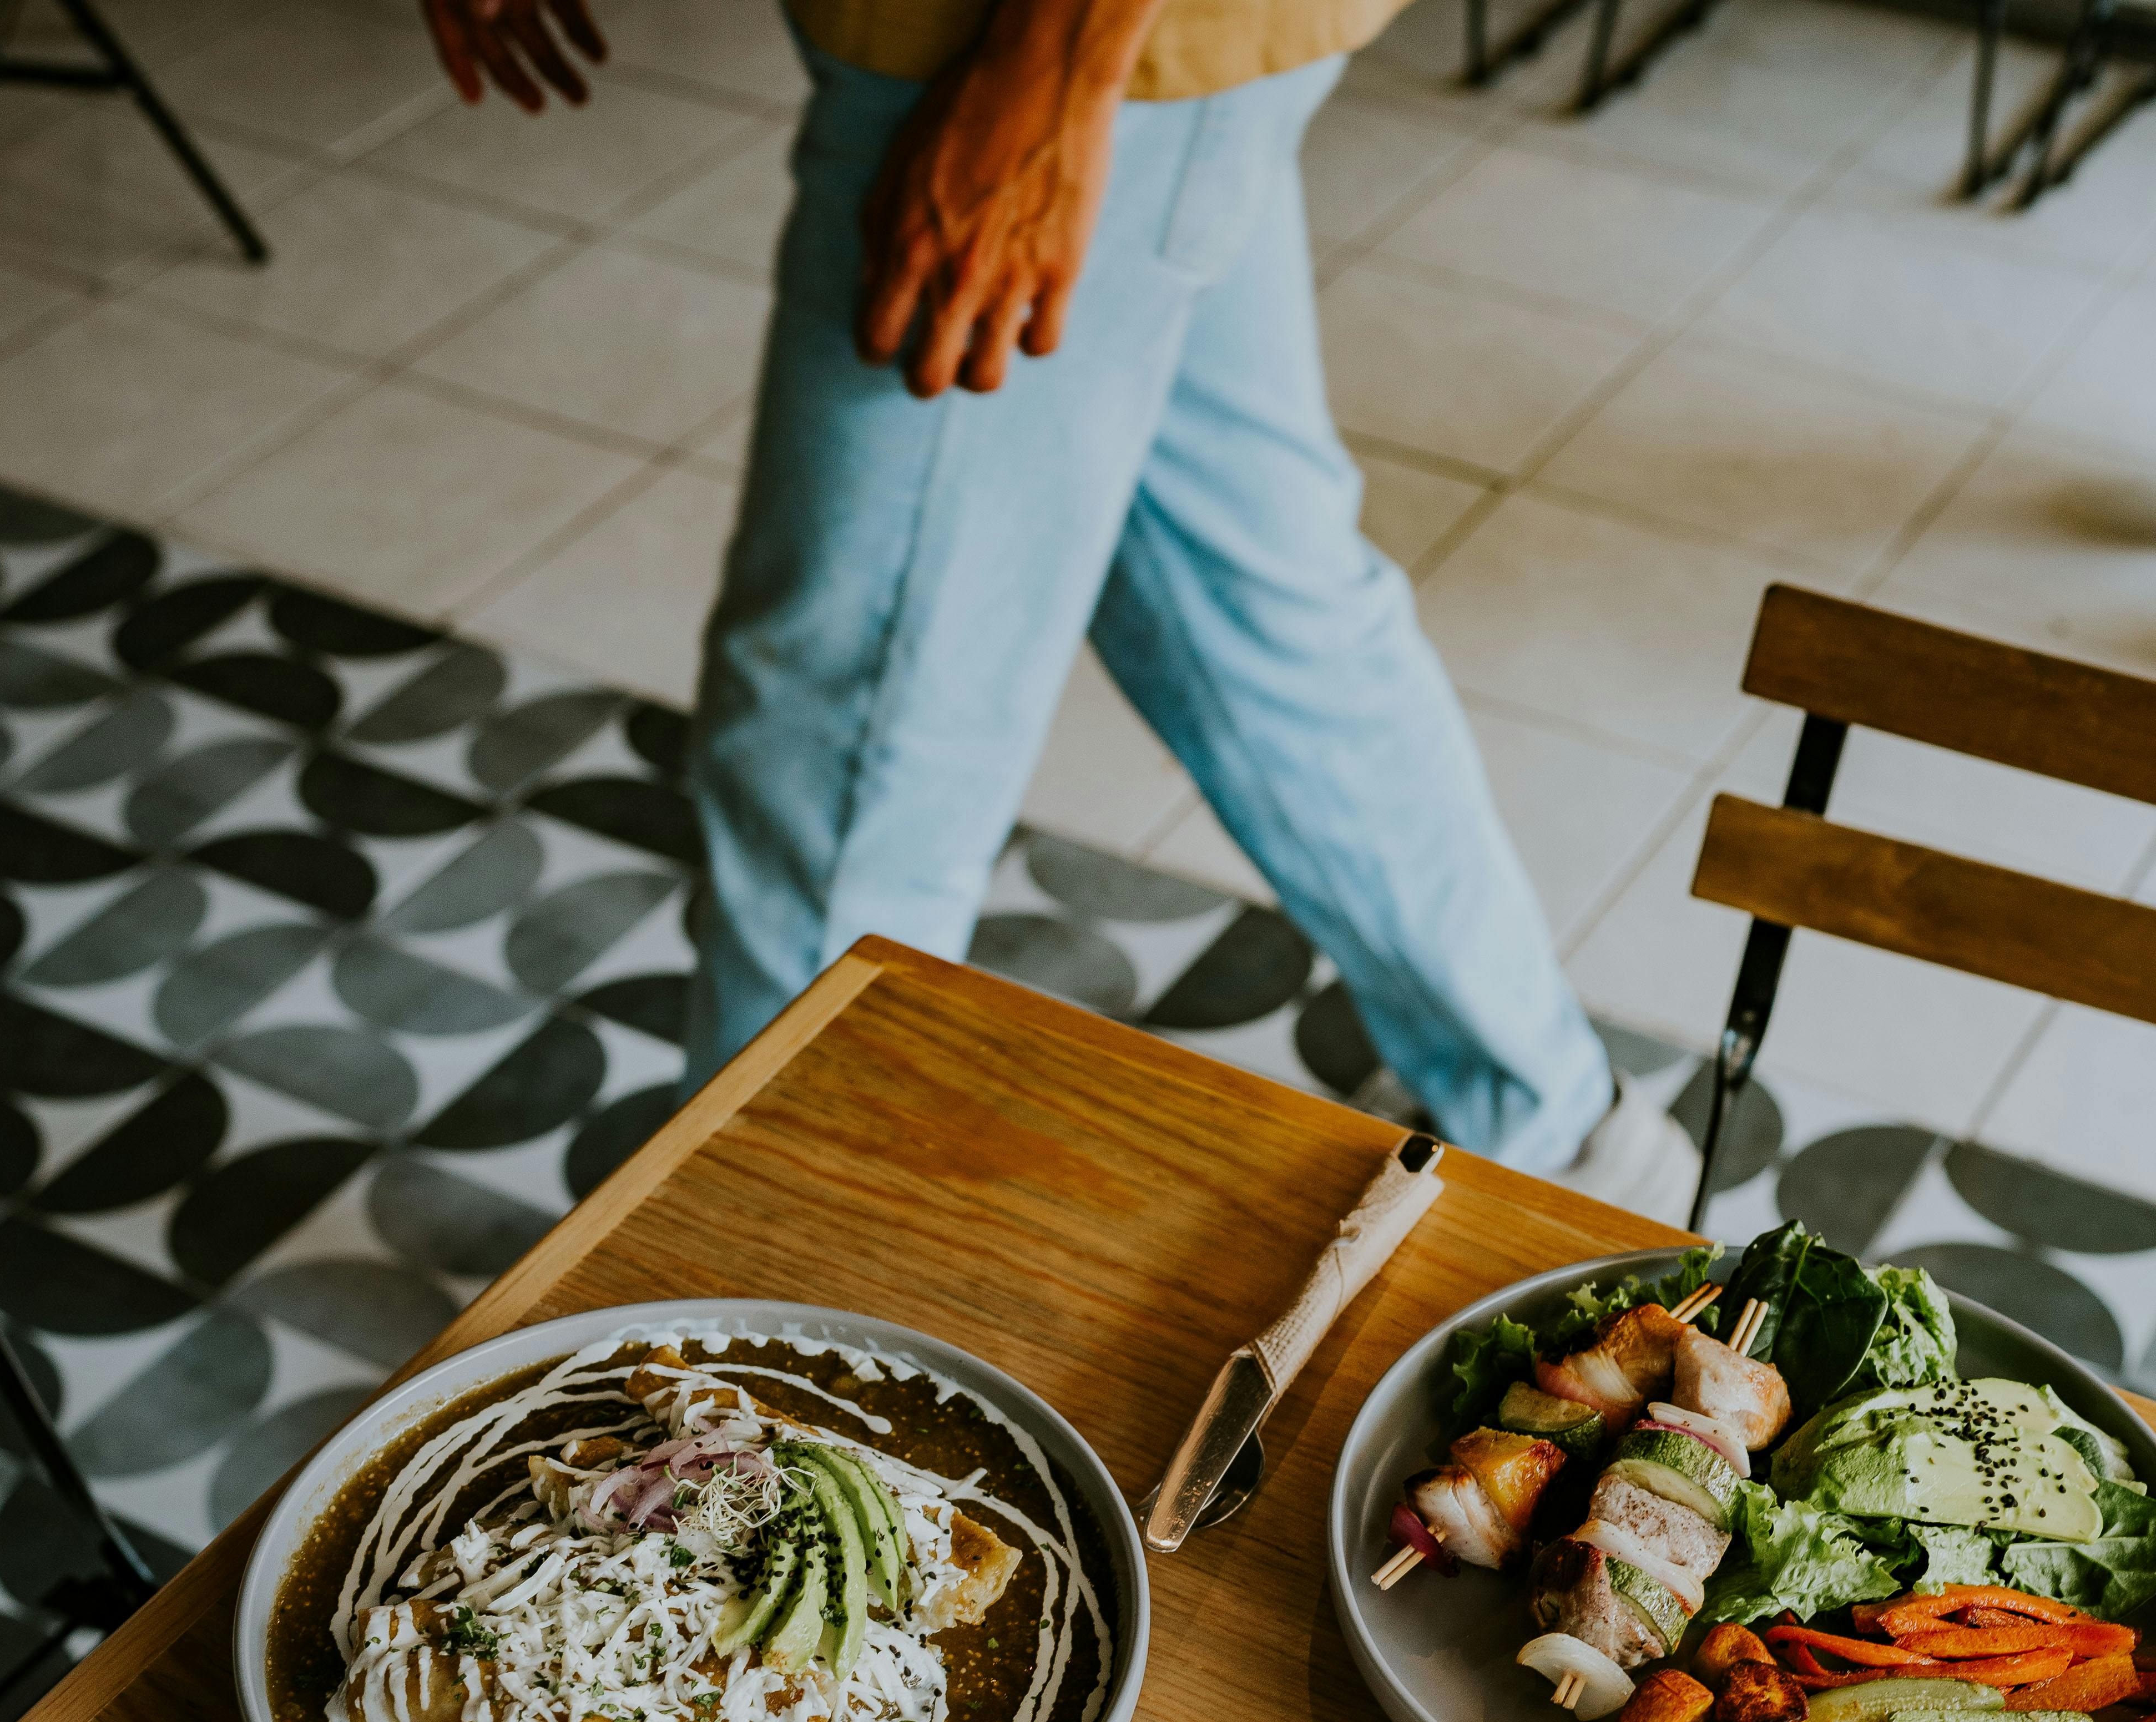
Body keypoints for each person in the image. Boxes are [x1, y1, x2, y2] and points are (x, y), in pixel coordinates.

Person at [416, 0, 1696, 1211]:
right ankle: (1562, 1136)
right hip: (1117, 59)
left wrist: (1049, 75)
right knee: (1253, 608)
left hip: (1011, 51)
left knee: (848, 739)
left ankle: (764, 1289)